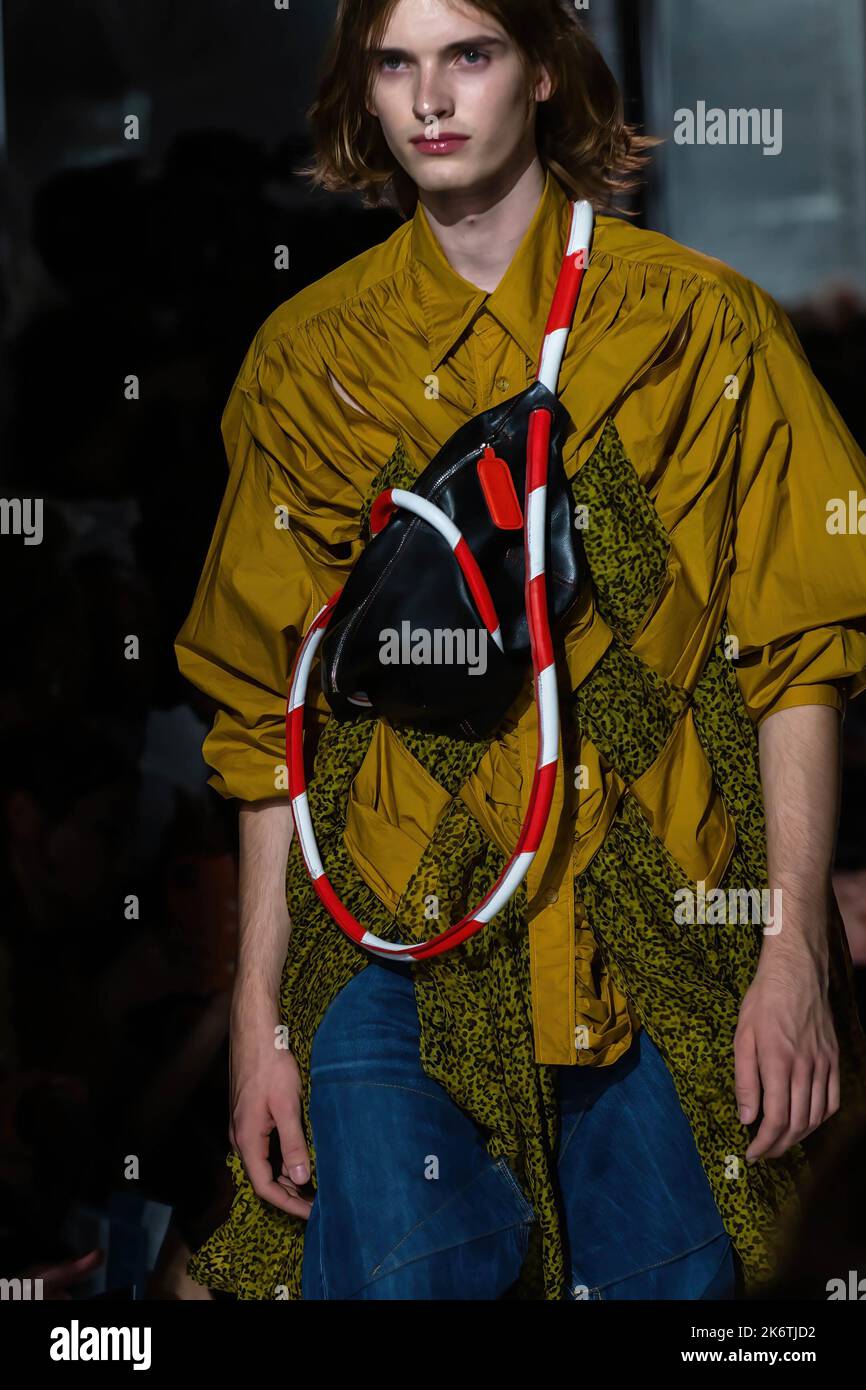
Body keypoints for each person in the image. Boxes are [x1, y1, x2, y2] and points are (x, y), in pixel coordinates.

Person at [173, 0, 866, 1301]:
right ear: (365, 92)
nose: (431, 98)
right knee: (399, 1275)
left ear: (540, 74)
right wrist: (261, 1025)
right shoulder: (312, 363)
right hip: (397, 925)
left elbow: (795, 661)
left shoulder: (699, 330)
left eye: (469, 55)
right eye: (396, 62)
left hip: (659, 918)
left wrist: (790, 956)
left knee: (677, 1287)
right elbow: (269, 715)